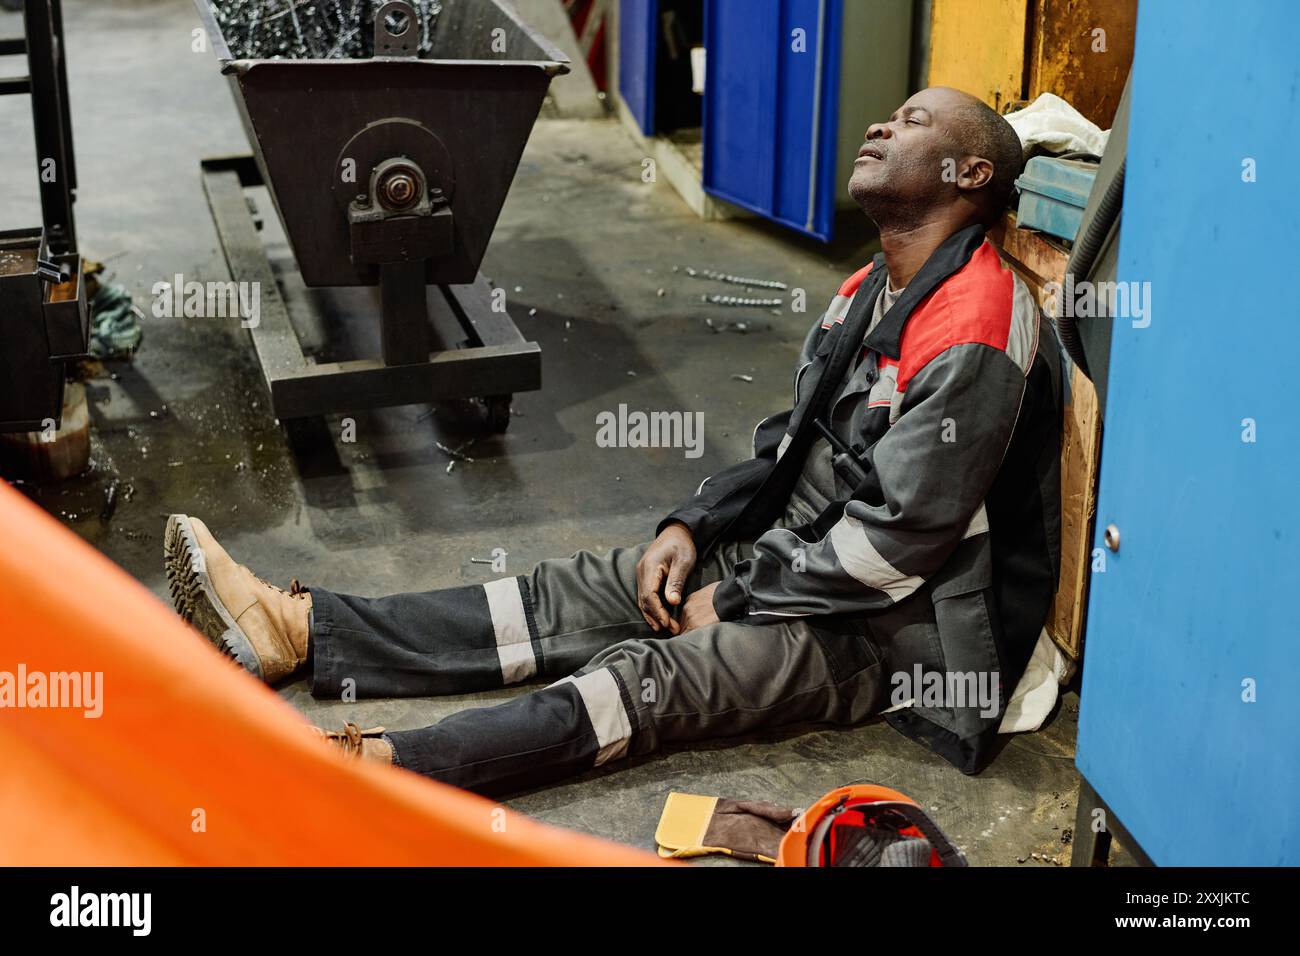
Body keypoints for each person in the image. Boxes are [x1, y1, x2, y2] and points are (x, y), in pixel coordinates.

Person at [164, 87, 1061, 796]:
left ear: (969, 173)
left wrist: (741, 596)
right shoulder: (875, 282)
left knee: (651, 676)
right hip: (800, 559)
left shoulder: (978, 321)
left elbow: (900, 545)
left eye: (912, 121)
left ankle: (381, 772)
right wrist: (694, 527)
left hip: (892, 629)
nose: (880, 123)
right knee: (577, 591)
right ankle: (302, 630)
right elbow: (788, 441)